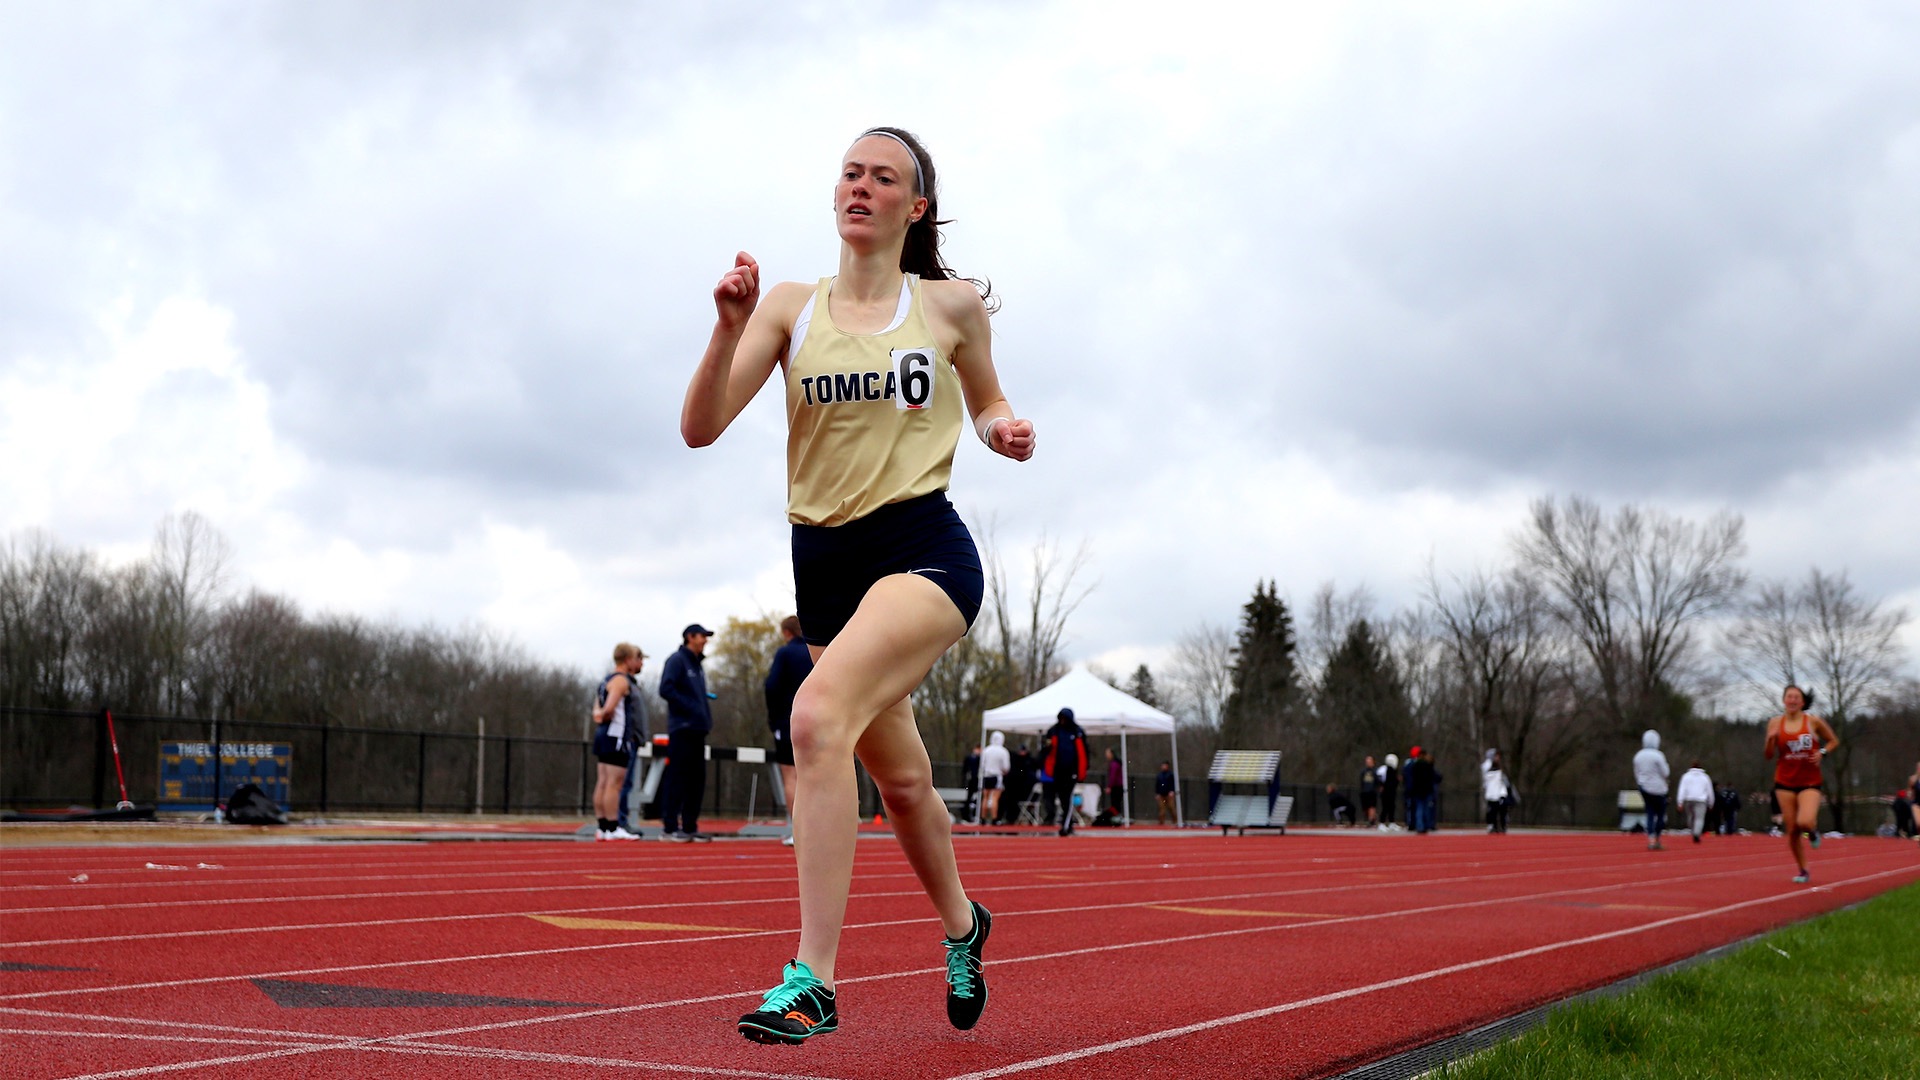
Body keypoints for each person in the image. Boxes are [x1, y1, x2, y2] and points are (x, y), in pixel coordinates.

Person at [683, 127, 1034, 1045]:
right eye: (850, 172)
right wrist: (726, 330)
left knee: (815, 717)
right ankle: (964, 925)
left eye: (882, 178)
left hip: (922, 552)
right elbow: (700, 427)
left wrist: (999, 429)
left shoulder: (948, 306)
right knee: (907, 784)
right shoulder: (790, 309)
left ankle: (813, 982)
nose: (860, 187)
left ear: (914, 207)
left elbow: (988, 399)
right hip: (826, 571)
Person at [1764, 684, 1839, 883]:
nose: (1792, 700)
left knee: (1805, 821)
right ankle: (1803, 869)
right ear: (1784, 700)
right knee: (1793, 830)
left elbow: (1833, 741)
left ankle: (1812, 831)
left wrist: (1822, 752)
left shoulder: (1813, 721)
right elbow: (1769, 755)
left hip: (1809, 781)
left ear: (1802, 702)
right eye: (1789, 697)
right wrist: (1770, 739)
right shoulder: (1775, 723)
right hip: (1784, 782)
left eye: (1796, 697)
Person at [658, 623, 716, 843]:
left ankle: (690, 826)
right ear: (690, 637)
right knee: (678, 778)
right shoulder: (677, 660)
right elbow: (666, 689)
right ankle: (670, 827)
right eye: (702, 636)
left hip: (698, 730)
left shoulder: (697, 665)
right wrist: (691, 707)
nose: (705, 640)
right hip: (682, 729)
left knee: (696, 780)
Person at [765, 615, 814, 846]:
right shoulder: (817, 651)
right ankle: (822, 832)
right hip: (819, 719)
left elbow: (772, 686)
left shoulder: (785, 653)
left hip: (790, 721)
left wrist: (773, 719)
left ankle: (799, 832)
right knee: (817, 776)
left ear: (787, 632)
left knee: (791, 776)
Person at [590, 643, 647, 840]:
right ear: (627, 659)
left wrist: (599, 715)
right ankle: (613, 827)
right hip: (616, 735)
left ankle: (603, 827)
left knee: (603, 781)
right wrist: (603, 715)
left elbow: (597, 707)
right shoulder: (621, 681)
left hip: (604, 734)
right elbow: (608, 708)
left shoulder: (605, 680)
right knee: (614, 784)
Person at [1043, 708, 1089, 836]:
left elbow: (1084, 752)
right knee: (1057, 798)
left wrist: (1082, 770)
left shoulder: (1077, 731)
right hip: (1056, 770)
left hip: (1071, 771)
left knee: (1066, 797)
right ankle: (1060, 821)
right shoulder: (1054, 731)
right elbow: (1046, 750)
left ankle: (1066, 825)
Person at [1633, 729, 1671, 851]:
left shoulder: (1638, 756)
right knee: (1660, 815)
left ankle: (1651, 838)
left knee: (1649, 813)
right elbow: (1666, 773)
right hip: (1658, 789)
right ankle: (1658, 838)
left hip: (1644, 787)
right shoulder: (1658, 755)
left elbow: (1637, 773)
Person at [1675, 760, 1715, 844]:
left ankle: (1693, 830)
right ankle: (1696, 833)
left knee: (1690, 817)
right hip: (1701, 800)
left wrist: (1680, 802)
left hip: (1689, 799)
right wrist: (1711, 803)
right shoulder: (1705, 777)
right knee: (1699, 818)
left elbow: (1682, 789)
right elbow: (1709, 791)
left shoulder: (1685, 776)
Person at [977, 731, 1009, 825]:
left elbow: (982, 764)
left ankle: (983, 818)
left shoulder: (986, 750)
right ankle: (994, 819)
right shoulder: (1003, 751)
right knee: (995, 798)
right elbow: (1006, 767)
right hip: (996, 776)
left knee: (985, 797)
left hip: (986, 775)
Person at [1404, 746, 1438, 834]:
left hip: (1417, 789)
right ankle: (1426, 825)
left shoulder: (1414, 765)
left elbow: (1411, 778)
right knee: (1426, 808)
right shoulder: (1427, 765)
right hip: (1426, 789)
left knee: (1419, 808)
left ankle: (1419, 825)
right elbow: (1433, 776)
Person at [1481, 749, 1512, 834]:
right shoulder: (1488, 767)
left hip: (1500, 794)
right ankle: (1492, 826)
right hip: (1492, 794)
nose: (1497, 758)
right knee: (1492, 812)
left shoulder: (1500, 770)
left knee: (1502, 811)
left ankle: (1502, 826)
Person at [1006, 742, 1037, 824]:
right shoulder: (1015, 761)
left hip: (1026, 790)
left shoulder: (1029, 762)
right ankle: (1011, 819)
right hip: (1015, 788)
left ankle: (1026, 818)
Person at [1378, 753, 1400, 830]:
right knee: (1385, 807)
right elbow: (1381, 780)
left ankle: (1391, 822)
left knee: (1391, 807)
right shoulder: (1385, 769)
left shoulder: (1392, 770)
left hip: (1391, 792)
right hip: (1386, 792)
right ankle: (1382, 823)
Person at [1104, 748, 1126, 822]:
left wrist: (1109, 786)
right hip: (1118, 786)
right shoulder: (1116, 763)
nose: (1106, 755)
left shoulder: (1114, 764)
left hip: (1116, 786)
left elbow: (1113, 776)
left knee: (1115, 803)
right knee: (1117, 803)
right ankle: (1117, 816)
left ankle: (1117, 818)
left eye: (1107, 753)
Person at [1154, 761, 1178, 825]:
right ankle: (1161, 822)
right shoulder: (1159, 775)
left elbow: (1173, 783)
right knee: (1161, 809)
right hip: (1161, 795)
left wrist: (1172, 791)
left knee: (1171, 808)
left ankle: (1175, 821)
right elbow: (1157, 785)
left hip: (1169, 795)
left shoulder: (1170, 775)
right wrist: (1157, 793)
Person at [1358, 754, 1379, 827]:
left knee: (1371, 806)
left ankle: (1371, 821)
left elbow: (1378, 781)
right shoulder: (1363, 771)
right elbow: (1361, 781)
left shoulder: (1376, 771)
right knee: (1365, 808)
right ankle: (1373, 817)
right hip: (1364, 792)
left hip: (1372, 791)